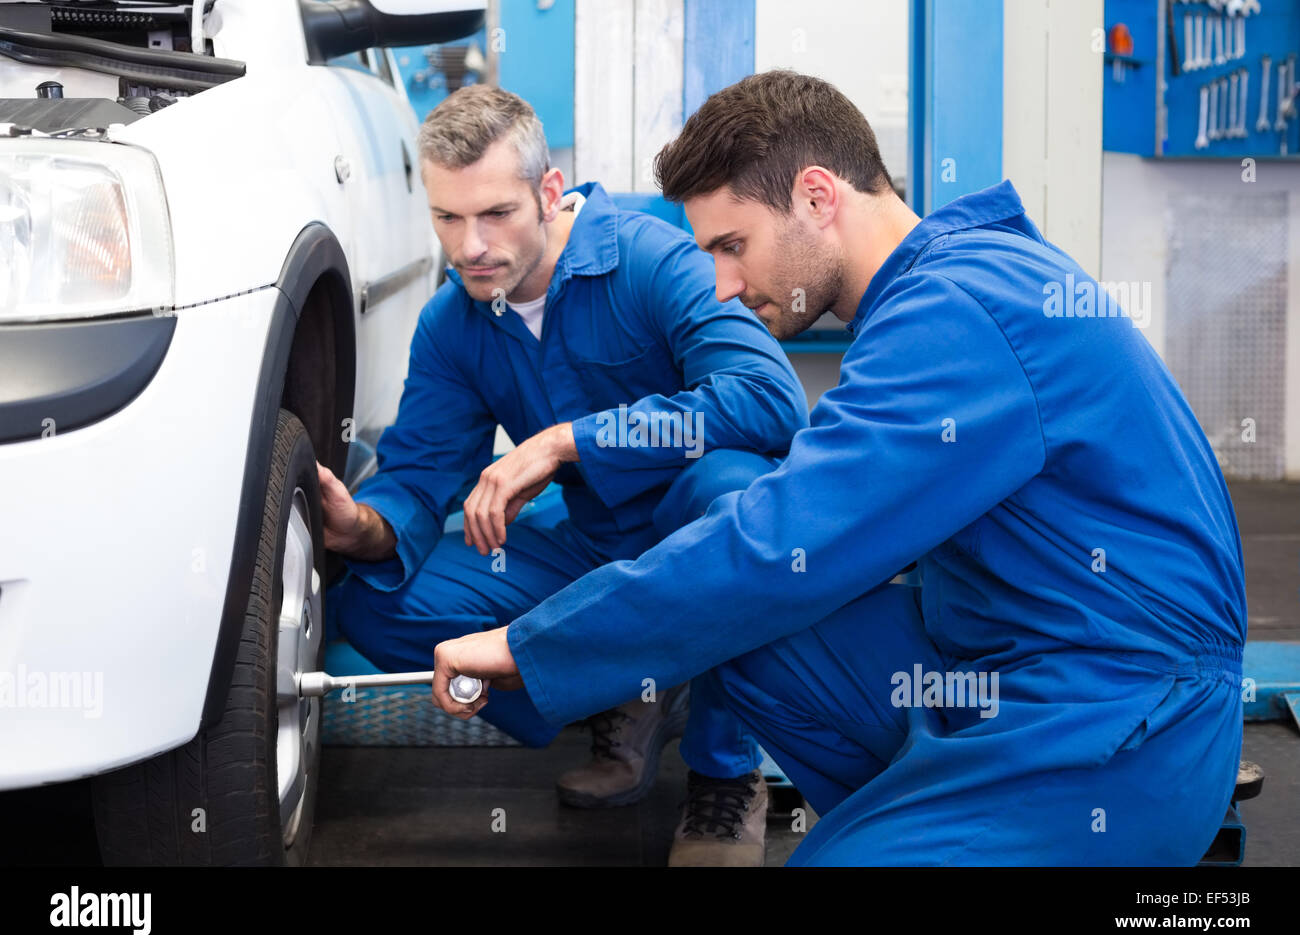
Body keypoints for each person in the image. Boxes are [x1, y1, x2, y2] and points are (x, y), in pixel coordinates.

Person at [430, 70, 1247, 865]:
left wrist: (530, 646)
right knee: (717, 545)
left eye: (732, 245)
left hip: (1125, 717)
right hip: (998, 669)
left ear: (818, 198)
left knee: (755, 572)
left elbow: (780, 542)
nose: (720, 285)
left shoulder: (960, 312)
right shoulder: (933, 294)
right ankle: (923, 821)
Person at [320, 84, 810, 866]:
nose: (470, 245)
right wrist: (365, 529)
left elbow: (769, 398)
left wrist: (563, 443)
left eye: (496, 214)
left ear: (550, 193)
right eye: (448, 218)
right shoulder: (455, 320)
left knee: (733, 499)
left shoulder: (652, 260)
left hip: (687, 527)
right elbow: (418, 474)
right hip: (586, 547)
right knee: (373, 602)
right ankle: (622, 691)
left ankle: (725, 778)